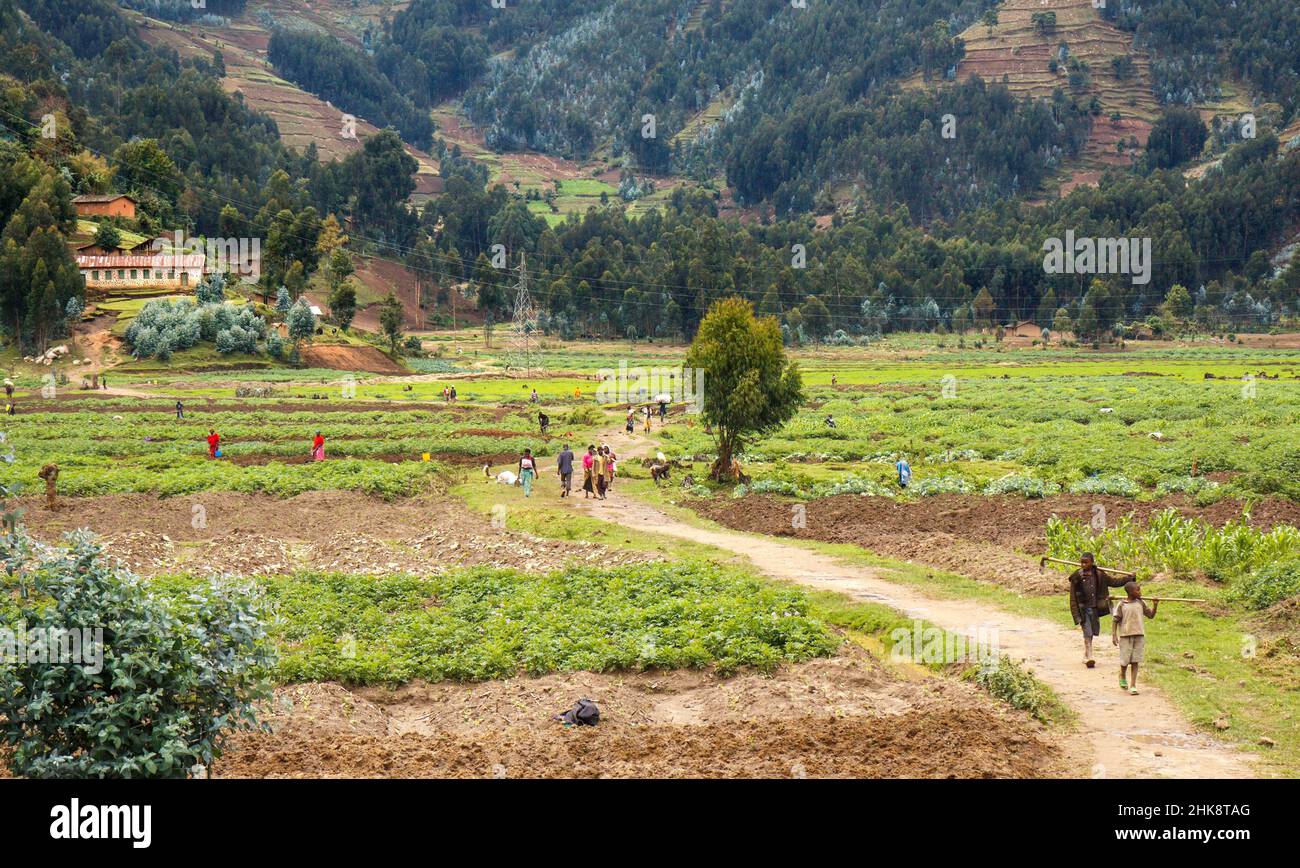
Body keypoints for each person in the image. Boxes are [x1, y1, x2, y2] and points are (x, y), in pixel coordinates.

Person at [1069, 552, 1130, 668]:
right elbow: (1072, 598)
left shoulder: (1099, 575)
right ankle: (1090, 656)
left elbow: (1114, 582)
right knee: (1087, 631)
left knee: (1092, 632)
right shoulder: (1077, 577)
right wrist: (1075, 613)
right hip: (1083, 609)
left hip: (1095, 609)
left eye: (1086, 562)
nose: (1083, 565)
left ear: (1092, 562)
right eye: (1081, 562)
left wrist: (1129, 578)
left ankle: (1086, 654)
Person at [1112, 582, 1157, 694]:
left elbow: (1150, 616)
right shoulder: (1122, 604)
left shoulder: (1141, 603)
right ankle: (1122, 675)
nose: (1140, 592)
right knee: (1125, 661)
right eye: (1138, 590)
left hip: (1139, 635)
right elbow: (1115, 619)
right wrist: (1114, 635)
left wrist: (1155, 605)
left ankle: (1133, 685)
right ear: (1130, 592)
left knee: (1135, 660)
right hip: (1125, 635)